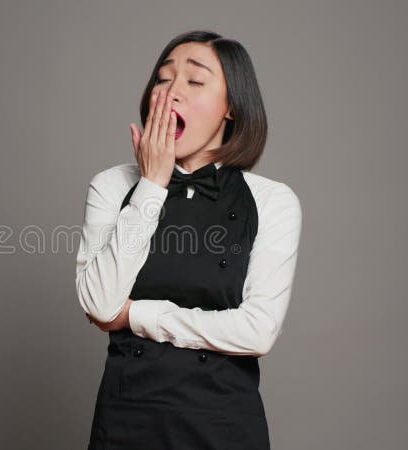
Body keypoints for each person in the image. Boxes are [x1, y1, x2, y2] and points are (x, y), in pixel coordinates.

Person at [75, 30, 303, 449]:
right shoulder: (111, 185)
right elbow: (100, 303)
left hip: (224, 423)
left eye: (195, 81)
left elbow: (257, 331)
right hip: (127, 419)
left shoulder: (273, 201)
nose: (170, 93)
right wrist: (151, 185)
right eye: (163, 79)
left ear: (231, 107)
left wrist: (137, 316)